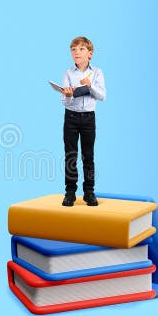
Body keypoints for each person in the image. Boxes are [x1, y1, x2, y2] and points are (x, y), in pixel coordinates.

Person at [59, 36, 106, 207]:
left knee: (88, 156)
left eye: (81, 49)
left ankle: (89, 192)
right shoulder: (68, 73)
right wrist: (69, 95)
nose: (76, 52)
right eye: (73, 49)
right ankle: (70, 193)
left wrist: (90, 86)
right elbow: (64, 100)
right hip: (71, 117)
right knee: (70, 155)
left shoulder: (97, 73)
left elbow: (102, 96)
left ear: (90, 54)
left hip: (88, 118)